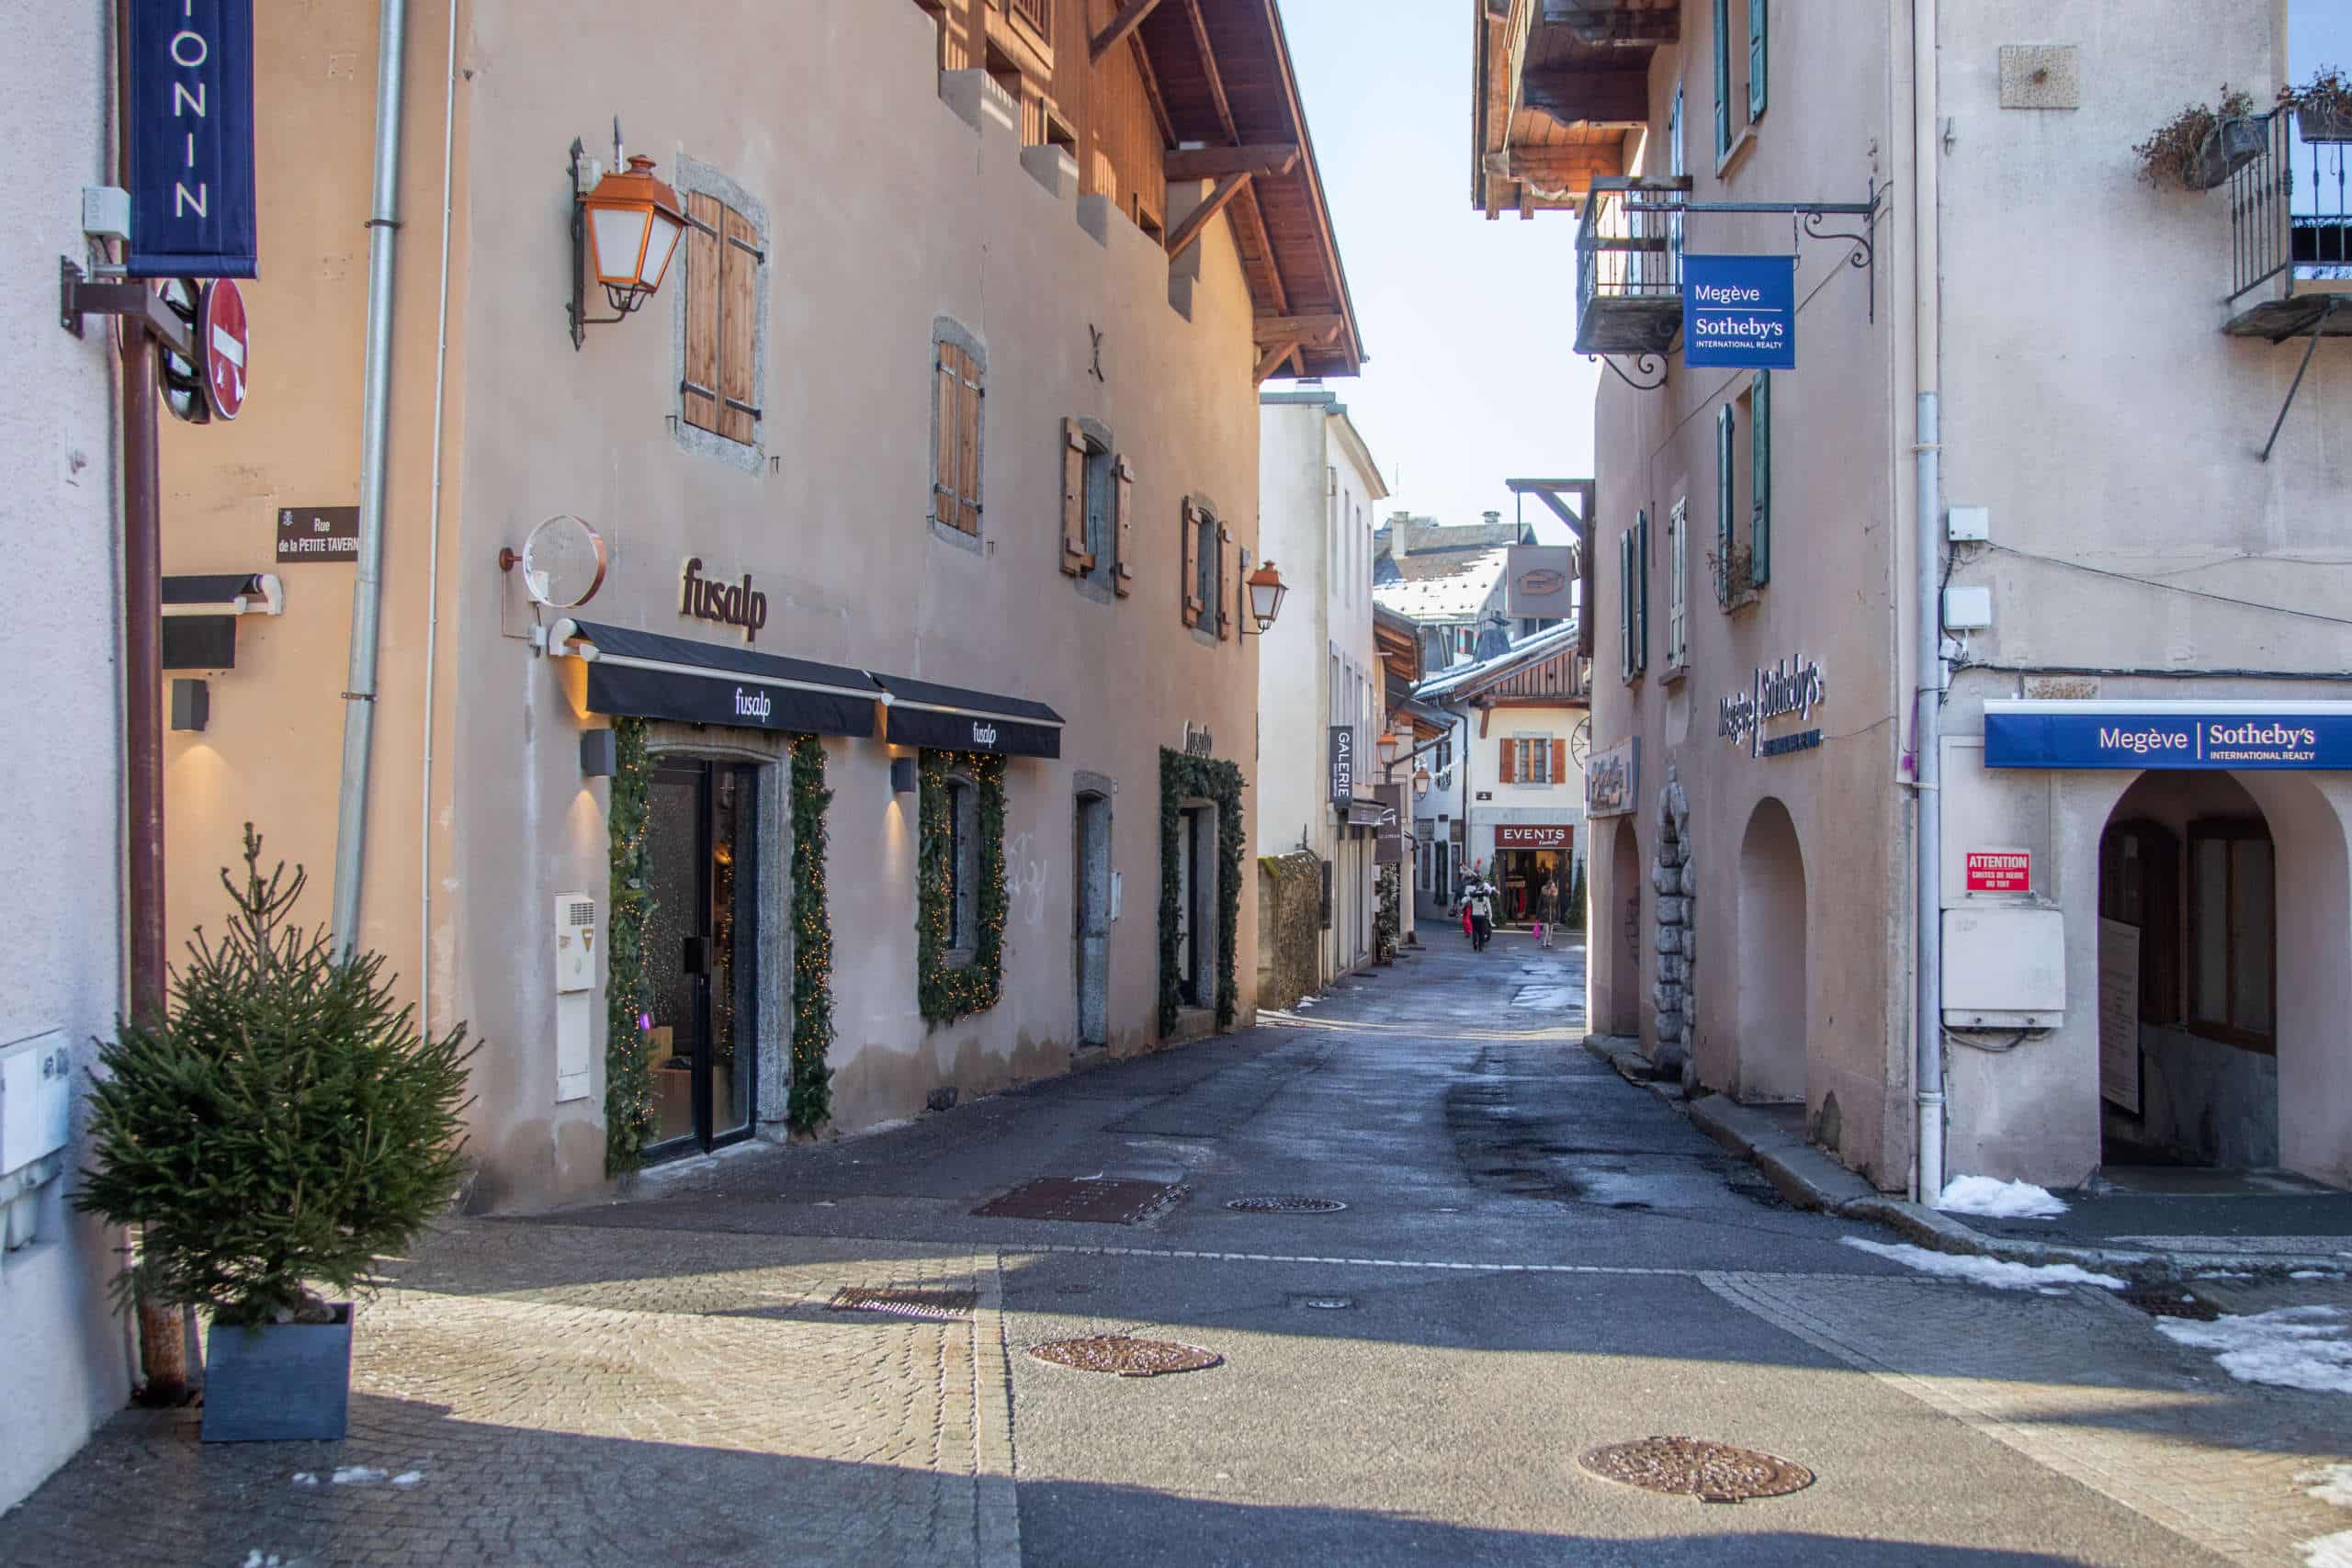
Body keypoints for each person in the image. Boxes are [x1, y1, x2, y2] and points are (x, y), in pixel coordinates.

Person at [1465, 879, 1495, 952]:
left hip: (1474, 915)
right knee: (1481, 932)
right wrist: (1490, 918)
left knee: (1475, 930)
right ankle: (1480, 947)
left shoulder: (1473, 895)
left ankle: (1475, 943)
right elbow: (1489, 909)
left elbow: (1465, 900)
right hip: (1481, 916)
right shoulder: (1485, 897)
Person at [1537, 872, 1559, 949]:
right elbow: (1539, 903)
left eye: (1553, 887)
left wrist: (1558, 915)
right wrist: (1538, 915)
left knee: (1551, 929)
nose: (1553, 888)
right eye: (1551, 887)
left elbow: (1557, 905)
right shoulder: (1543, 893)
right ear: (1548, 887)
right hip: (1545, 913)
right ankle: (1544, 942)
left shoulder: (1555, 894)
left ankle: (1549, 942)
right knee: (1546, 930)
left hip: (1552, 914)